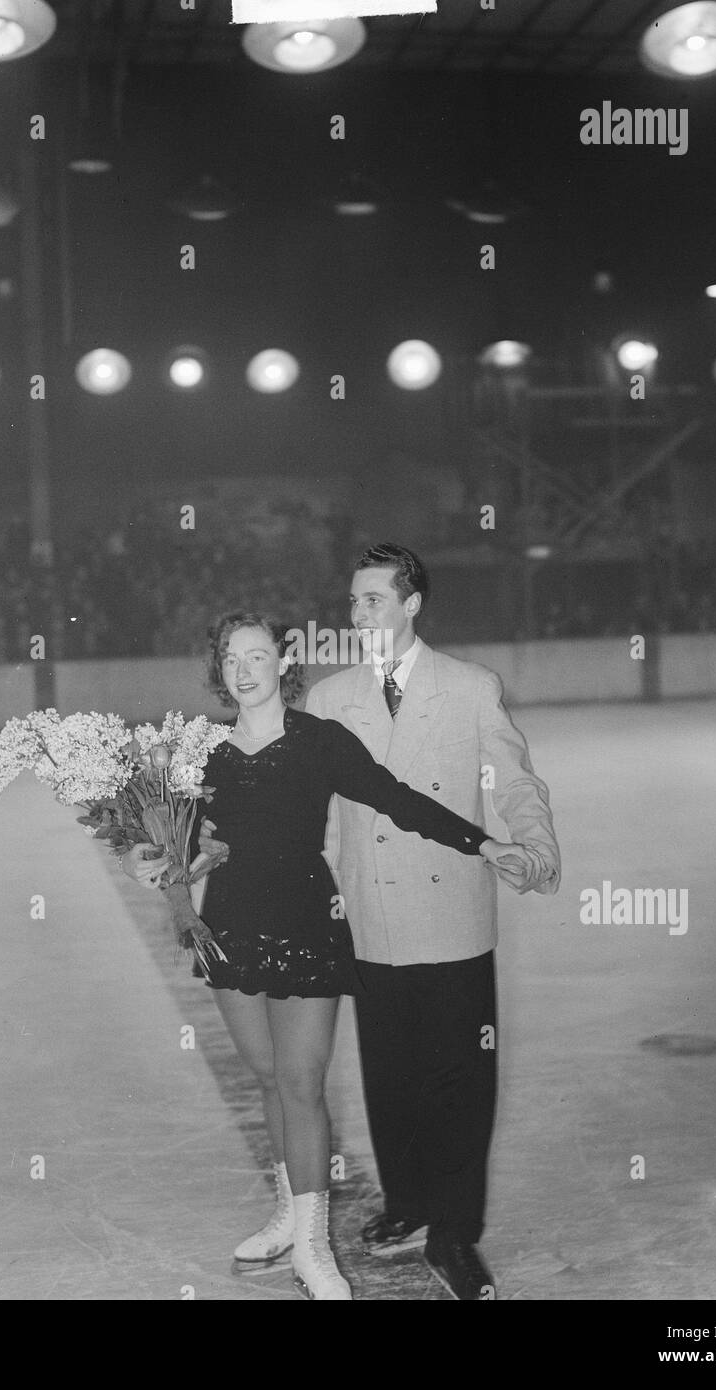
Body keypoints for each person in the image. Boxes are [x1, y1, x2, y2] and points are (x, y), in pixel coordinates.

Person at [122, 610, 522, 1302]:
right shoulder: (201, 751)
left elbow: (397, 800)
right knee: (269, 1079)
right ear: (218, 673)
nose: (243, 671)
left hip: (307, 924)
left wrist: (481, 844)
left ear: (283, 662)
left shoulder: (319, 741)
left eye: (255, 657)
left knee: (302, 1085)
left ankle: (313, 1247)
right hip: (230, 929)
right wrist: (148, 858)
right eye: (230, 660)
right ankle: (286, 1216)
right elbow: (178, 845)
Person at [300, 542, 561, 1301]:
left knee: (457, 1078)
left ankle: (452, 1231)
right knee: (388, 1076)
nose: (357, 615)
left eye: (372, 600)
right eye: (351, 602)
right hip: (370, 915)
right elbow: (310, 816)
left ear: (411, 604)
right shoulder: (327, 698)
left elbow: (512, 781)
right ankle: (407, 1201)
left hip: (450, 914)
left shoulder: (470, 687)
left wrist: (534, 844)